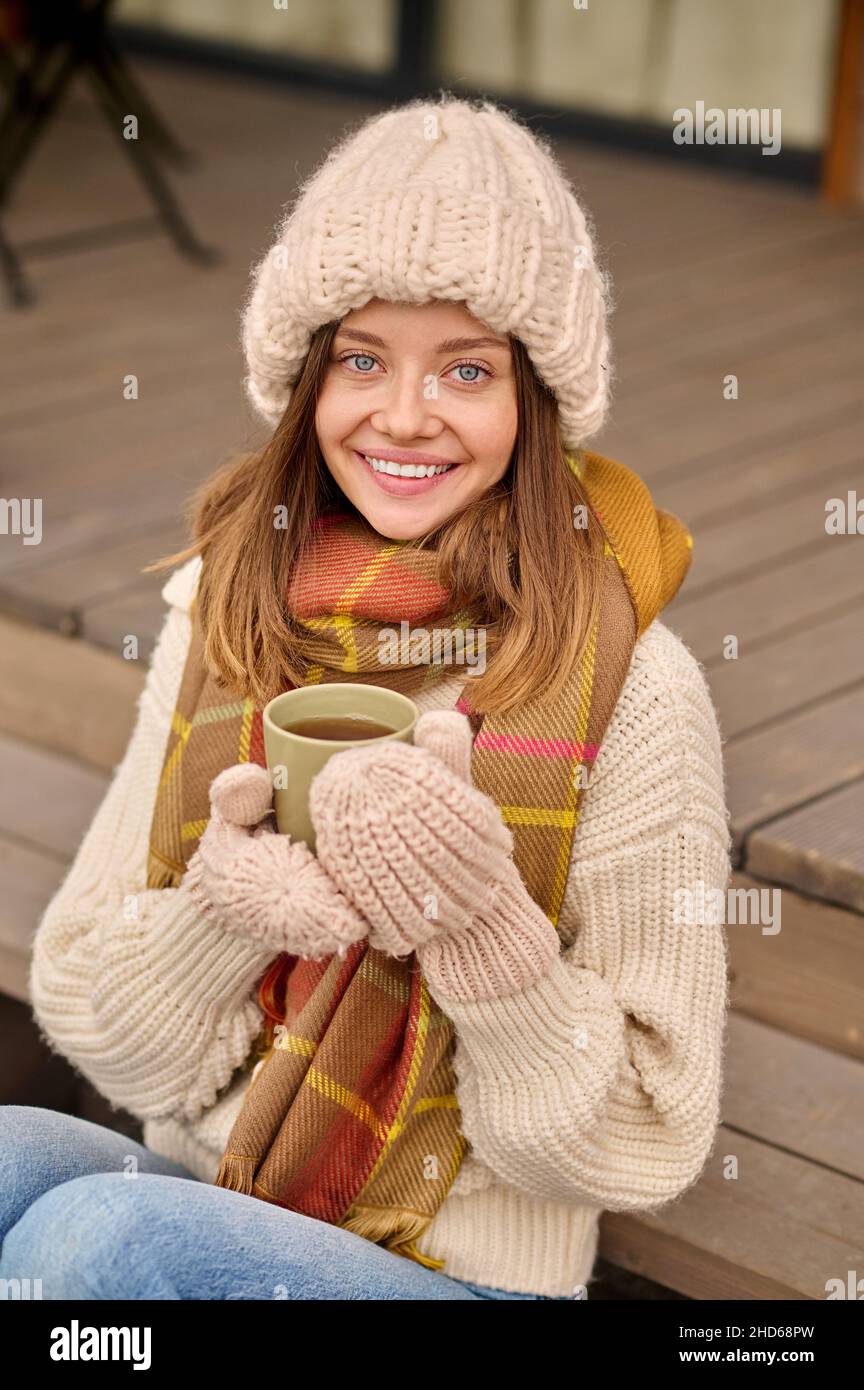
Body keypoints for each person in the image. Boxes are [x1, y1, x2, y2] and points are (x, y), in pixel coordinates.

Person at [0, 94, 731, 1301]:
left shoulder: (636, 684)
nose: (402, 416)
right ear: (306, 378)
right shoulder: (228, 601)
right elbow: (90, 1007)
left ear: (534, 399)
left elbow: (648, 1132)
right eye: (360, 359)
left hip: (464, 1269)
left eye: (465, 368)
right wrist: (223, 917)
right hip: (224, 1187)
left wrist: (482, 929)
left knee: (105, 1248)